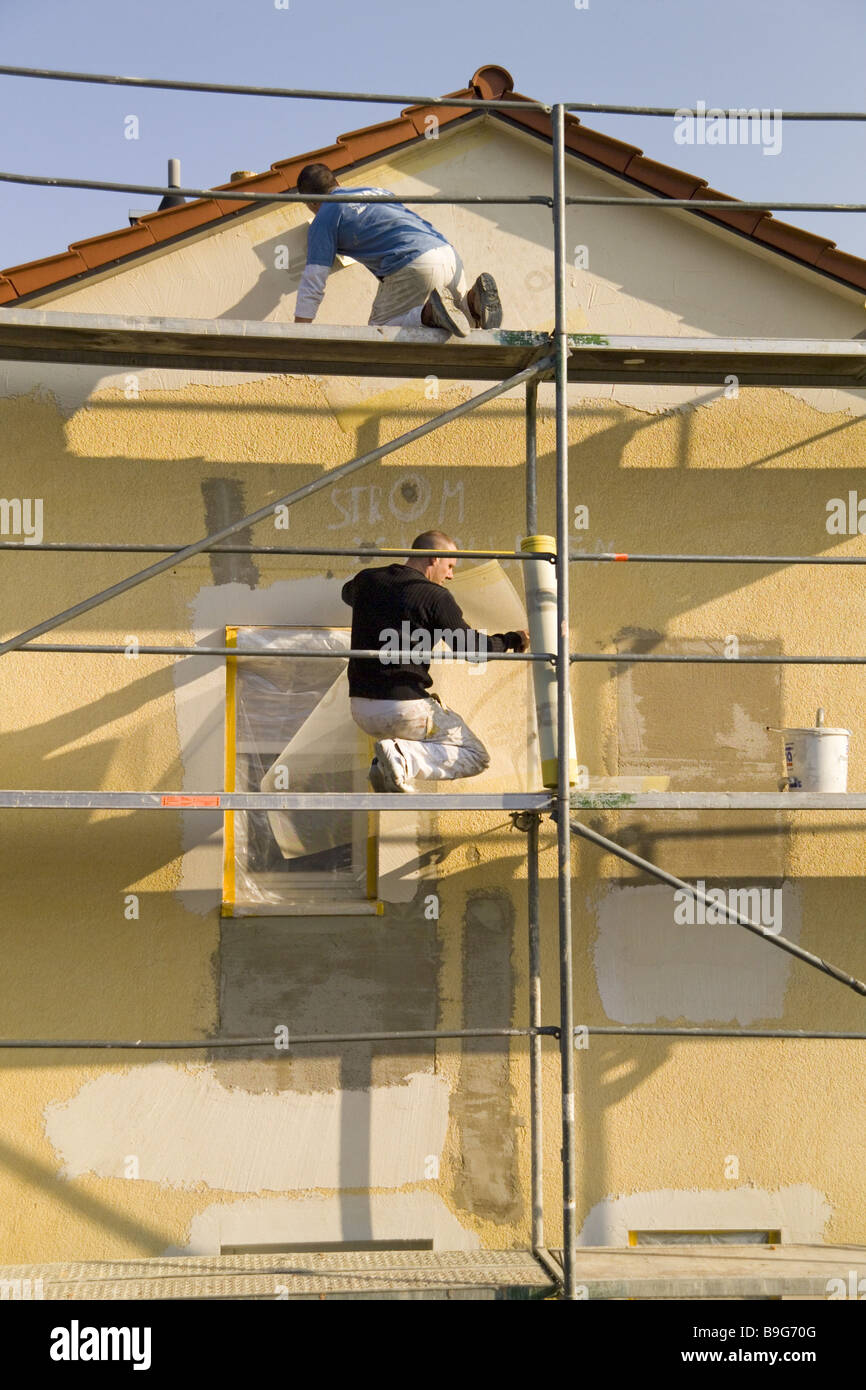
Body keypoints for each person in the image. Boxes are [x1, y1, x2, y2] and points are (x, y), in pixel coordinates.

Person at [341, 531, 529, 792]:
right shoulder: (435, 597)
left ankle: (386, 764)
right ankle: (402, 756)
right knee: (475, 755)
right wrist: (513, 639)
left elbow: (347, 594)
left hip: (360, 708)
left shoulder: (367, 580)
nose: (450, 575)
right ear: (434, 558)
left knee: (434, 725)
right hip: (404, 708)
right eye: (450, 566)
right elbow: (473, 649)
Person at [293, 163, 502, 337]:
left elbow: (314, 280)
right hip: (447, 254)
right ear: (337, 182)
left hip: (412, 263)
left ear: (309, 202)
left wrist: (299, 335)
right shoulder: (376, 192)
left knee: (379, 330)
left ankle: (430, 313)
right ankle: (474, 301)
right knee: (460, 319)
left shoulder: (324, 218)